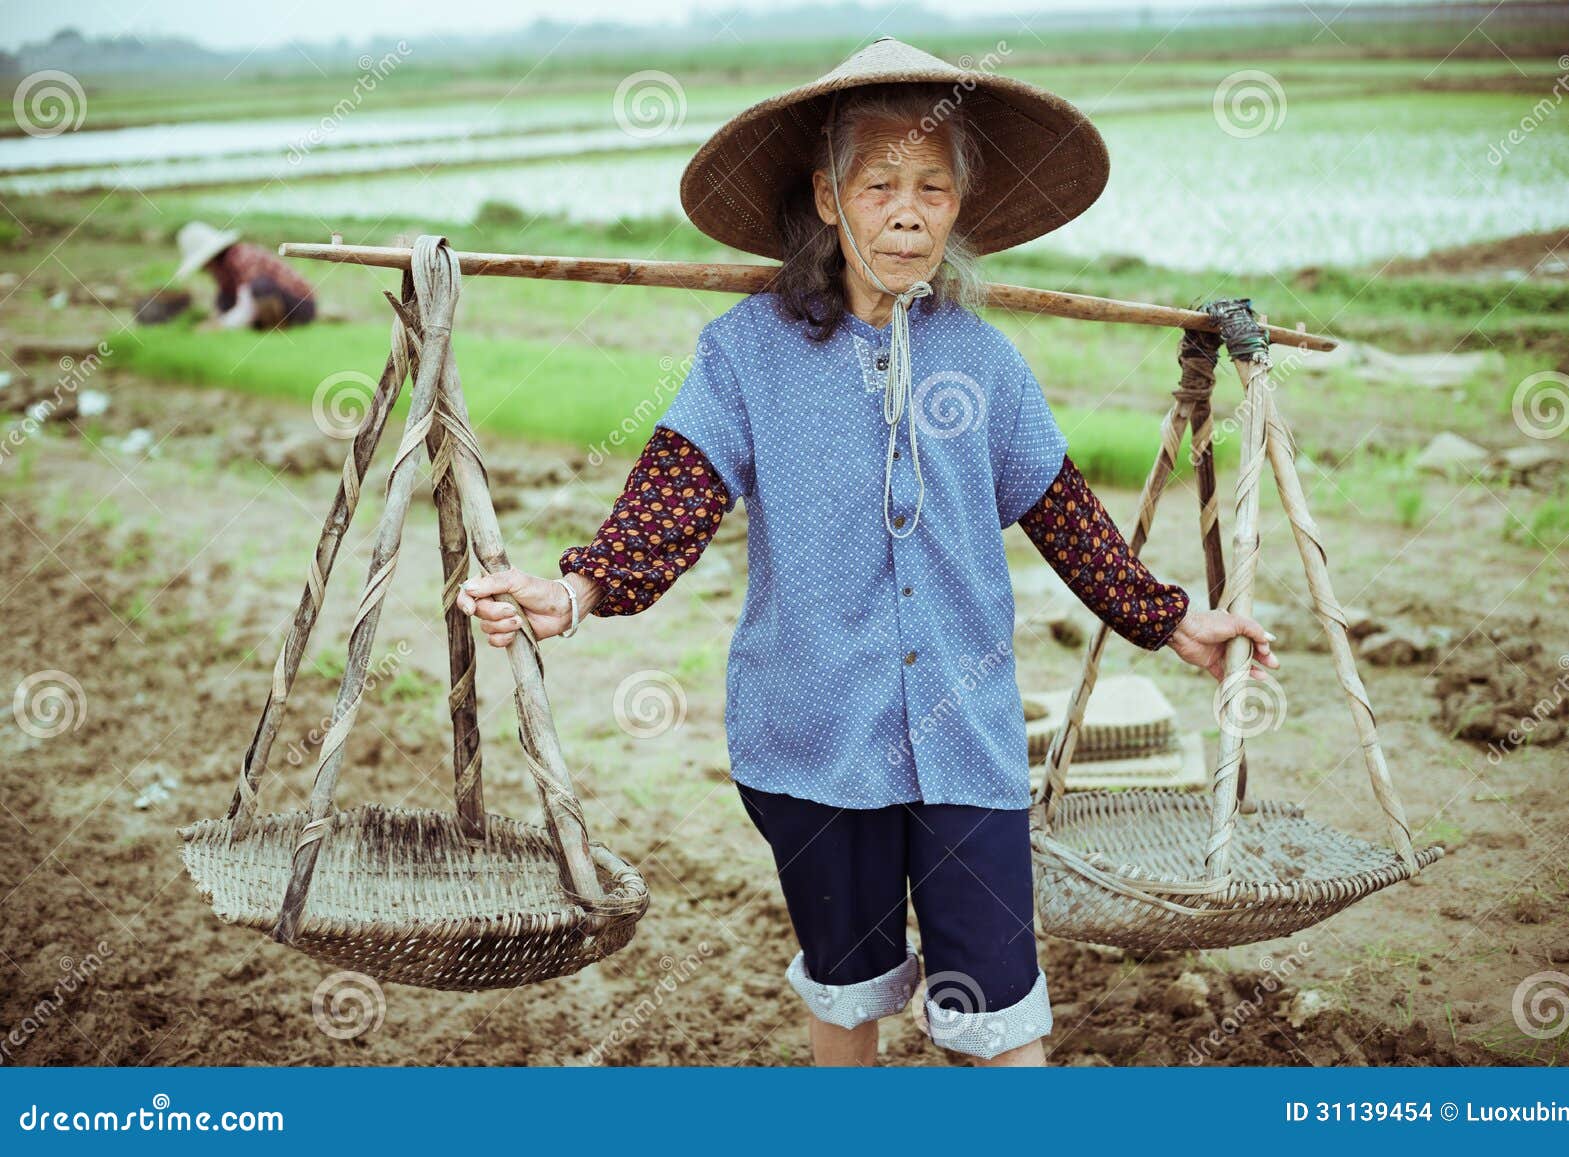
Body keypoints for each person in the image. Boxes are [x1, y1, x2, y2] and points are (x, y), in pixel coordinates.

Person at [457, 38, 1277, 1067]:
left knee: (999, 1009)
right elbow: (673, 498)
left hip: (966, 740)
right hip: (811, 737)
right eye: (879, 184)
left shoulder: (985, 361)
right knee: (847, 989)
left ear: (958, 206)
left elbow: (1066, 516)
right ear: (827, 197)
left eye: (933, 187)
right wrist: (576, 589)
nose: (908, 212)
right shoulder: (746, 352)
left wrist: (1173, 618)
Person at [172, 221, 316, 330]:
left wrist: (220, 326)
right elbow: (226, 301)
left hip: (300, 305)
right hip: (268, 300)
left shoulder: (241, 257)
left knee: (260, 286)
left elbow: (247, 301)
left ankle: (277, 328)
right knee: (224, 296)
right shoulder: (223, 269)